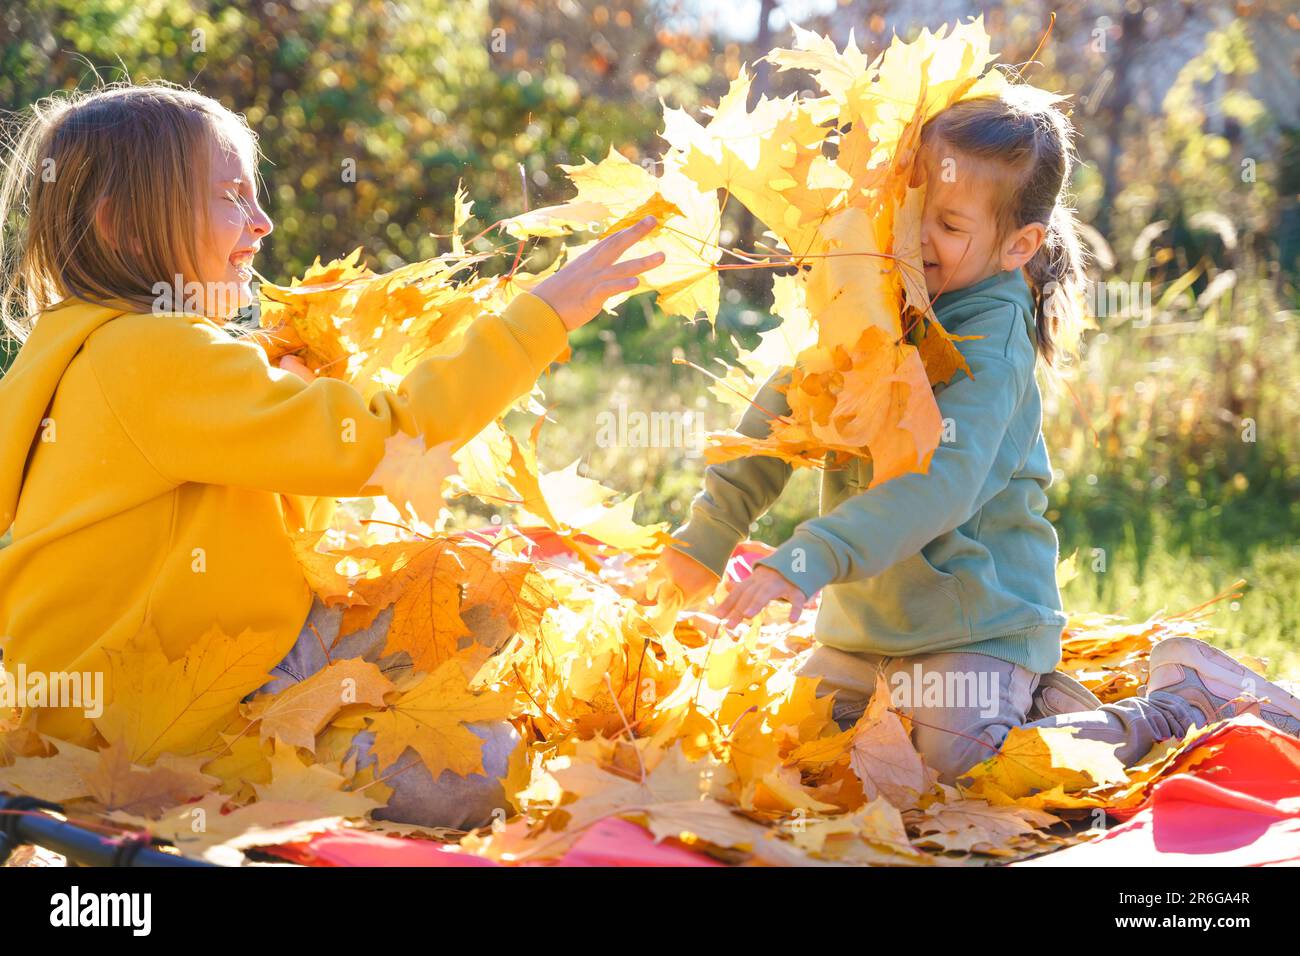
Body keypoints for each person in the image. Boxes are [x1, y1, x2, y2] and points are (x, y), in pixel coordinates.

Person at [0, 82, 662, 826]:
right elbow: (389, 440)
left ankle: (351, 725)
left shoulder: (76, 354)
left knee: (480, 595)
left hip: (113, 703)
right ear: (121, 226)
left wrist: (292, 390)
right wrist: (540, 319)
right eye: (229, 198)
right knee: (481, 761)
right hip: (177, 722)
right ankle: (307, 754)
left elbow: (285, 522)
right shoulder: (150, 352)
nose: (262, 222)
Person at [647, 86, 1300, 784]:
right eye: (912, 207)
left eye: (951, 225)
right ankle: (1035, 704)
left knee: (961, 767)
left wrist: (813, 553)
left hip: (975, 624)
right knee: (799, 758)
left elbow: (941, 481)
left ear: (1017, 245)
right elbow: (783, 412)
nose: (919, 236)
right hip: (862, 629)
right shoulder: (873, 293)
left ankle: (1175, 705)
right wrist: (707, 539)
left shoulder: (992, 338)